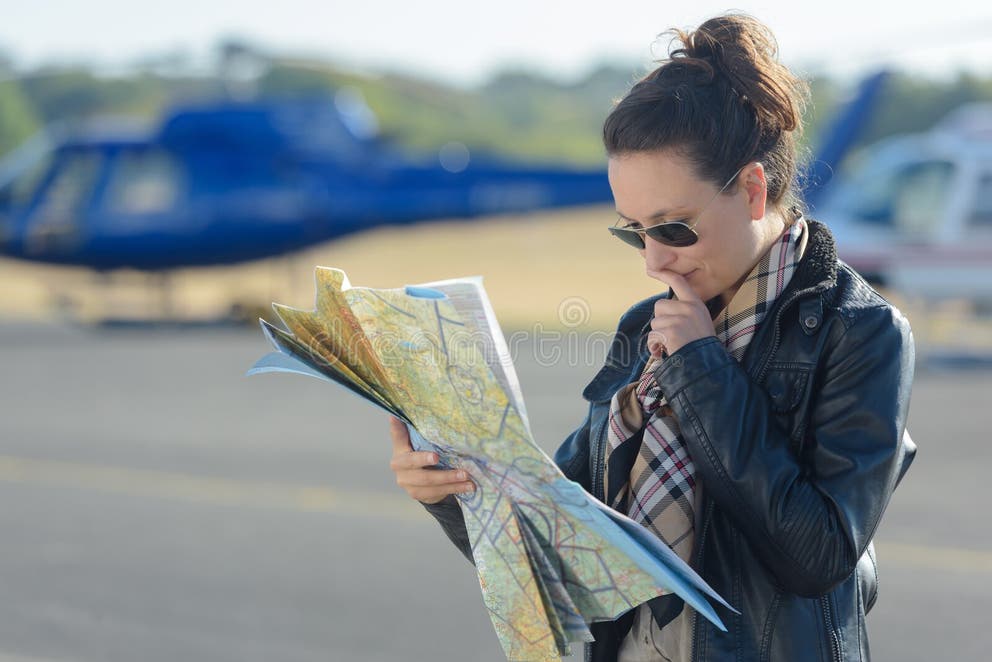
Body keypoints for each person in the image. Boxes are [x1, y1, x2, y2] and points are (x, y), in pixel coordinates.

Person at [388, 12, 916, 662]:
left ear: (753, 190)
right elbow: (562, 549)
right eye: (632, 231)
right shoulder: (647, 326)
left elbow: (817, 557)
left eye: (672, 228)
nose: (653, 261)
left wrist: (700, 369)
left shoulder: (860, 331)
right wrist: (454, 489)